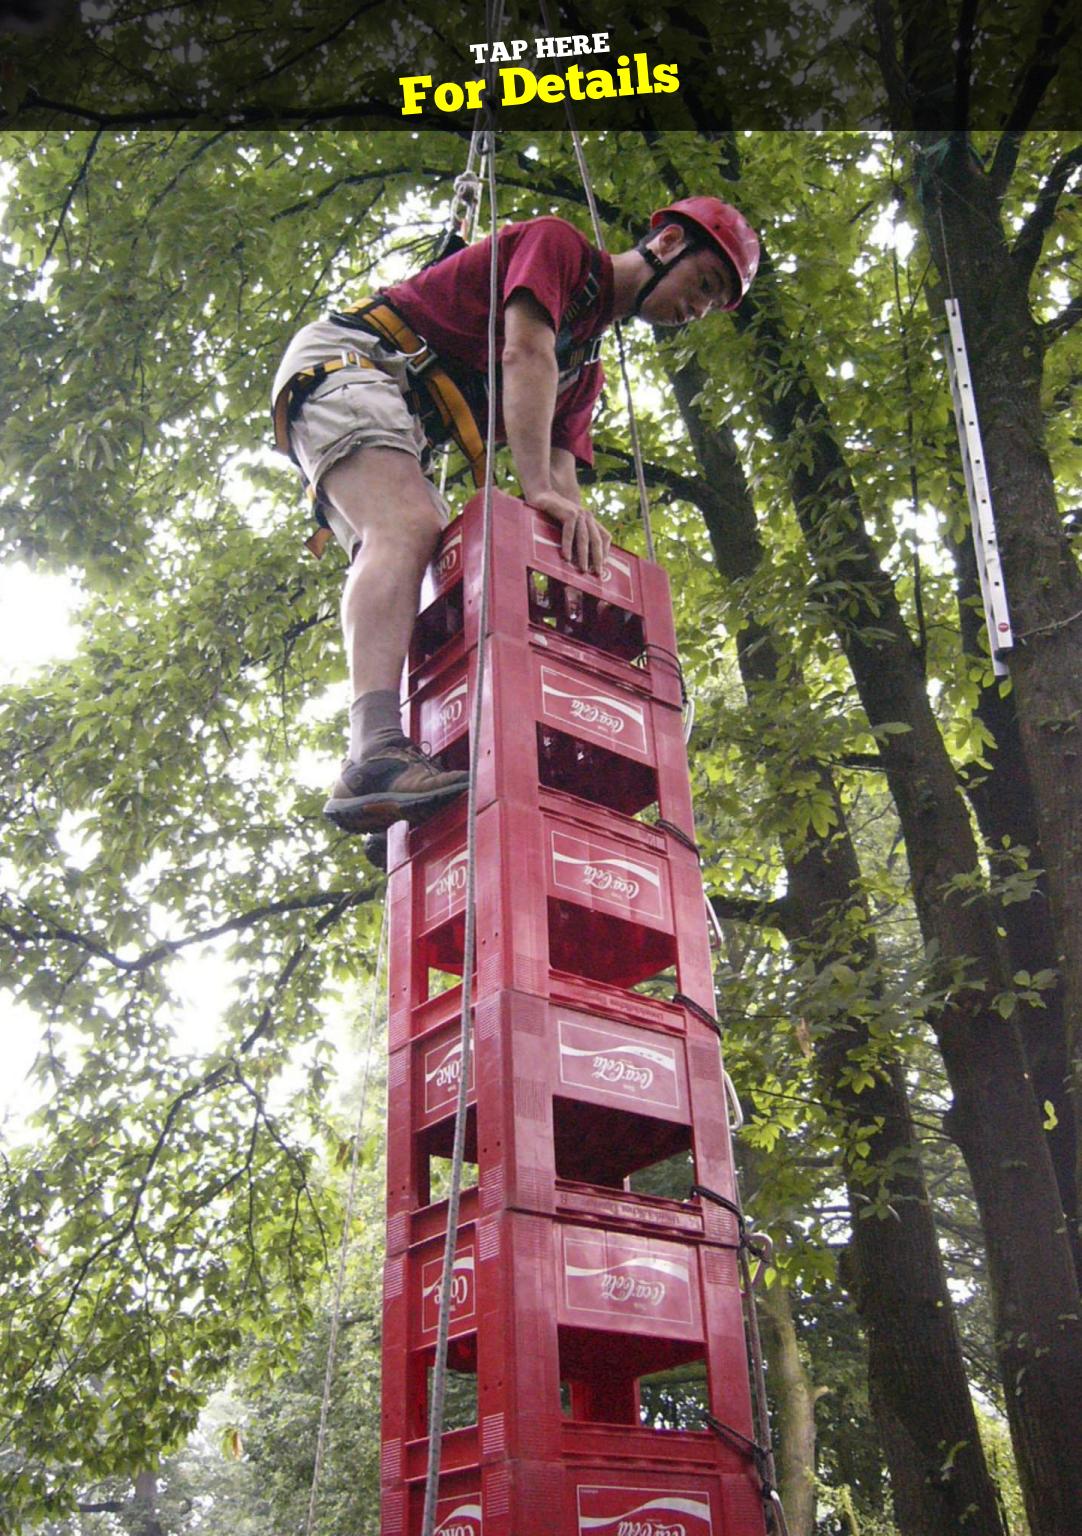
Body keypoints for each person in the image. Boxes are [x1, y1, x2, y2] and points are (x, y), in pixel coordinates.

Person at [271, 196, 759, 836]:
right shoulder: (560, 249)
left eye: (713, 304)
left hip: (395, 408)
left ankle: (410, 794)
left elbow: (559, 490)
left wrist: (595, 598)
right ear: (667, 244)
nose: (698, 309)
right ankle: (373, 752)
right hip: (354, 364)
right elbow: (524, 352)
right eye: (704, 284)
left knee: (446, 582)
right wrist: (538, 488)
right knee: (408, 528)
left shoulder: (584, 373)